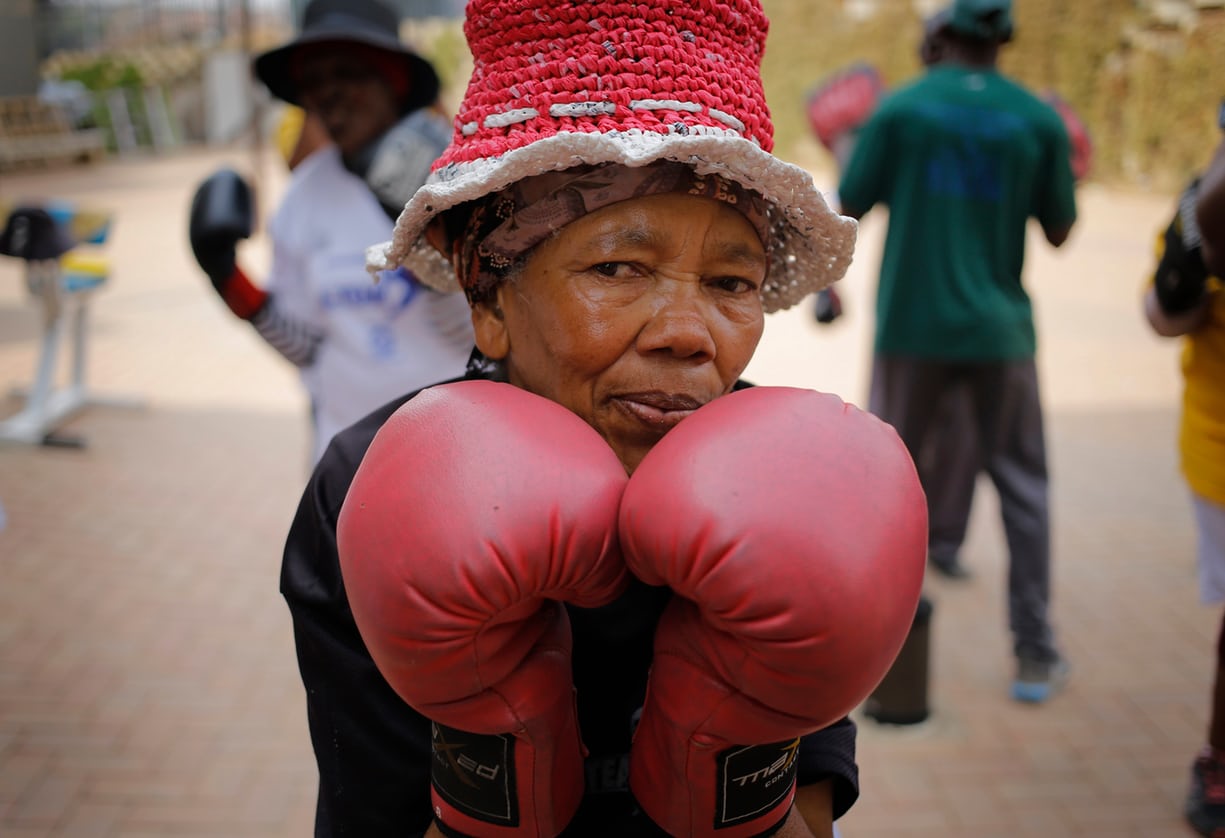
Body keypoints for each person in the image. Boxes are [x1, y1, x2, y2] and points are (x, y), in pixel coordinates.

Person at [279, 1, 933, 836]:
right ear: (488, 298)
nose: (688, 336)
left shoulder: (789, 485)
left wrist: (734, 758)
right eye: (619, 266)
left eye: (731, 283)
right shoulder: (365, 488)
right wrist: (493, 771)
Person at [836, 0, 1078, 703]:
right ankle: (1034, 653)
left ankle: (868, 659)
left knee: (885, 488)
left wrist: (848, 143)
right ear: (1001, 38)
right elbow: (1059, 228)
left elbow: (847, 202)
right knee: (1023, 488)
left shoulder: (901, 111)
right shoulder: (1037, 120)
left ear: (938, 33)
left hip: (911, 331)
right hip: (1001, 335)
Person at [187, 0, 474, 465]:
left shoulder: (455, 181)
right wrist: (227, 278)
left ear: (392, 80)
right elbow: (307, 348)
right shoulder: (305, 196)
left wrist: (430, 241)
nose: (330, 94)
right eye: (315, 80)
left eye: (348, 73)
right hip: (347, 461)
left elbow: (481, 335)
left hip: (459, 447)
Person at [1144, 114, 1225, 837]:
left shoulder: (1204, 197)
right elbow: (1166, 311)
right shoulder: (1208, 201)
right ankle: (1218, 762)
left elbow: (1163, 314)